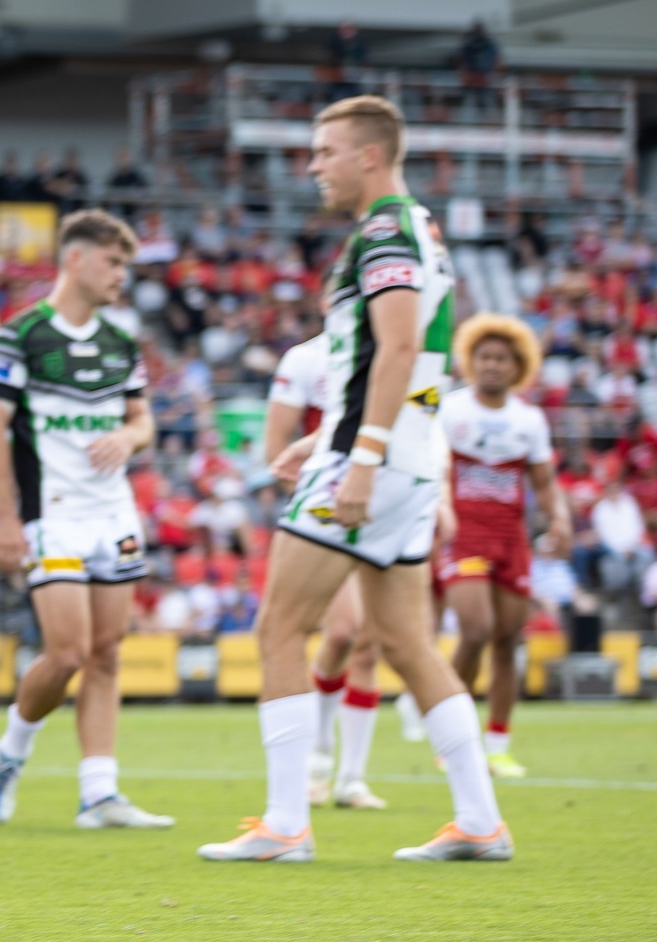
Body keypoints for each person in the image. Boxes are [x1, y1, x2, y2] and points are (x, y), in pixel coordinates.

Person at [199, 93, 515, 865]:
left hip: (372, 462)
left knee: (279, 627)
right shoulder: (416, 227)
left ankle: (285, 824)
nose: (313, 167)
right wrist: (325, 438)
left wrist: (358, 457)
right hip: (406, 459)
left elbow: (398, 349)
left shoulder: (385, 231)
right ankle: (480, 821)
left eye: (325, 152)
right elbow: (394, 362)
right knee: (409, 643)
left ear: (369, 155)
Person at [0, 209, 174, 832]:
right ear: (76, 259)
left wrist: (129, 437)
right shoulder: (20, 337)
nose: (121, 275)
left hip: (112, 512)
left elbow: (143, 420)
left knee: (108, 652)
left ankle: (99, 794)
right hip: (52, 513)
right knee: (67, 653)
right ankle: (12, 751)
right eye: (113, 263)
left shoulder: (121, 343)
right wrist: (5, 519)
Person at [437, 313, 572, 779]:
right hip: (463, 534)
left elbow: (544, 483)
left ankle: (497, 746)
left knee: (508, 641)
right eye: (484, 357)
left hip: (511, 538)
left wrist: (560, 518)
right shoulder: (450, 410)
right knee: (475, 630)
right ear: (470, 361)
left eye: (501, 358)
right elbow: (434, 470)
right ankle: (451, 737)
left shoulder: (528, 420)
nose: (492, 365)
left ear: (518, 367)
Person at [265, 331, 389, 810]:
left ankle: (352, 778)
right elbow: (276, 447)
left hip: (386, 503)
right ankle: (318, 758)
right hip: (326, 508)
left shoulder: (393, 348)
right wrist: (314, 499)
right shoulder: (304, 359)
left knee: (370, 642)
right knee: (342, 631)